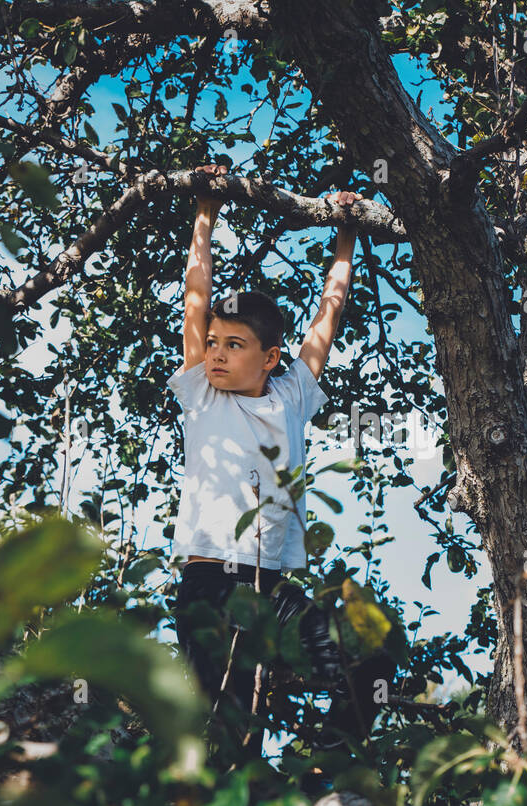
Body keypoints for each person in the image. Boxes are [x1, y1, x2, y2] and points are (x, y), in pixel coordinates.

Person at [169, 163, 394, 763]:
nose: (215, 354)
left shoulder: (292, 393)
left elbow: (329, 314)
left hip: (273, 588)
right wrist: (205, 213)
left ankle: (323, 766)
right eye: (214, 342)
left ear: (270, 357)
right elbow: (196, 294)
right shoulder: (202, 392)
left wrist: (346, 234)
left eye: (233, 346)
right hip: (209, 586)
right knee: (230, 735)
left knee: (371, 654)